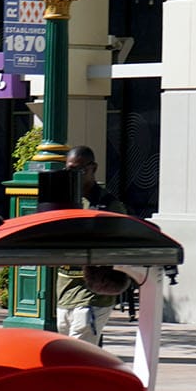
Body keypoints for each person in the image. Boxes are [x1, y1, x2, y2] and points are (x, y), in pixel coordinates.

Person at [54, 144, 126, 345]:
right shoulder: (63, 201)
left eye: (80, 170)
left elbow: (120, 242)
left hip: (93, 291)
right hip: (65, 289)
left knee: (77, 352)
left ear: (93, 168)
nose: (74, 175)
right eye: (69, 170)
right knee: (68, 351)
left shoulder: (108, 204)